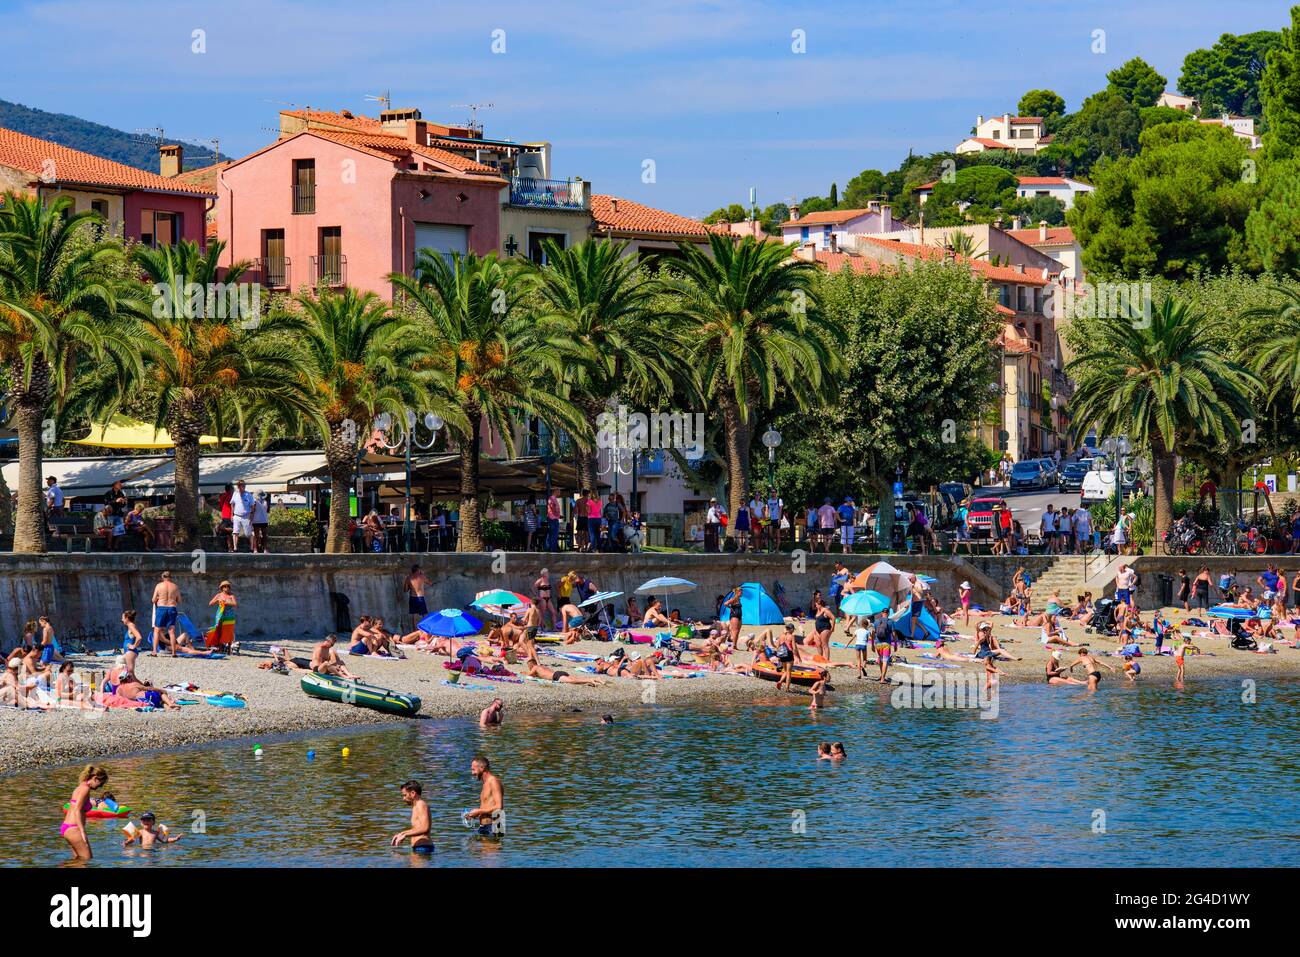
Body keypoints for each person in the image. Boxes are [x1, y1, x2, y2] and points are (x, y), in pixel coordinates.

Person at [62, 764, 109, 861]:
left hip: (67, 828)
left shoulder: (80, 787)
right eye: (101, 784)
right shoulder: (85, 789)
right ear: (95, 778)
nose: (100, 787)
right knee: (87, 859)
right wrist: (82, 831)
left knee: (77, 860)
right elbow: (77, 810)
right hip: (74, 828)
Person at [464, 756, 505, 837]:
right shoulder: (485, 783)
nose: (472, 773)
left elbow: (499, 807)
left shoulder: (493, 782)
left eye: (473, 769)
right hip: (485, 827)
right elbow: (488, 807)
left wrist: (479, 811)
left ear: (482, 768)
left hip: (493, 827)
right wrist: (475, 815)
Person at [392, 780, 434, 853]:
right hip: (419, 848)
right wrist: (401, 834)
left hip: (423, 848)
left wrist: (405, 835)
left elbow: (425, 828)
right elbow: (417, 828)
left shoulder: (421, 804)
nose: (403, 798)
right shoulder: (416, 806)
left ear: (413, 793)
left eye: (405, 795)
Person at [151, 570, 181, 655]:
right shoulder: (175, 586)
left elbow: (153, 600)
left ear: (162, 577)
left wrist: (157, 598)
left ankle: (154, 652)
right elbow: (179, 600)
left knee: (157, 630)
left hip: (161, 608)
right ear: (170, 577)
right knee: (171, 631)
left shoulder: (159, 586)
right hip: (172, 608)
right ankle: (174, 653)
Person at [230, 479, 255, 553]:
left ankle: (251, 548)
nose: (242, 487)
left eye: (243, 485)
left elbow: (253, 506)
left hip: (246, 516)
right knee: (235, 532)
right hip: (237, 516)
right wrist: (232, 515)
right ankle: (235, 548)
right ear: (238, 486)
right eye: (240, 486)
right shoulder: (235, 494)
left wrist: (251, 515)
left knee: (248, 533)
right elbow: (232, 504)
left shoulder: (248, 495)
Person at [404, 565, 429, 631]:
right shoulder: (422, 577)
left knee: (414, 617)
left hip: (412, 597)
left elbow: (405, 590)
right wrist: (423, 575)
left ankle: (415, 631)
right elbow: (430, 583)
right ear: (418, 570)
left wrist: (410, 585)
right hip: (420, 597)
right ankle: (427, 631)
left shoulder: (409, 578)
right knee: (424, 615)